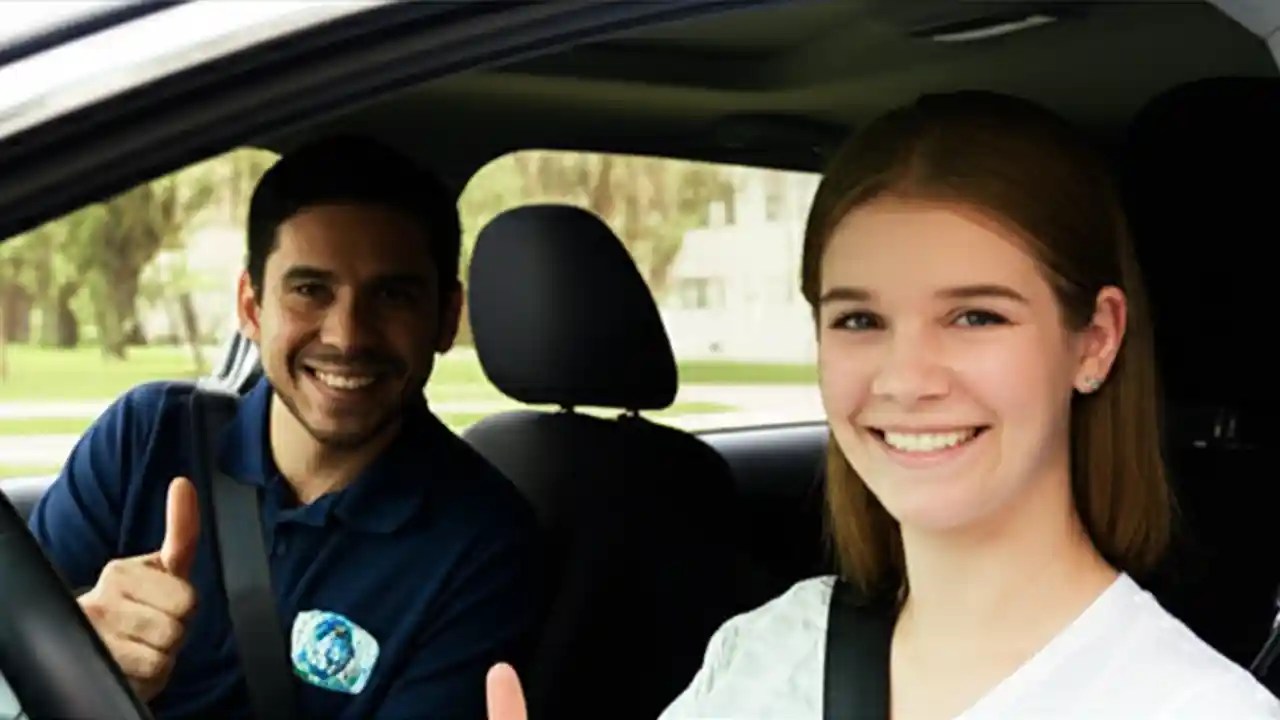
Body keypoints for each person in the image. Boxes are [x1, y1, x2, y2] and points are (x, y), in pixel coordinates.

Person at [484, 91, 1280, 719]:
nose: (905, 379)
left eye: (975, 316)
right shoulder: (772, 648)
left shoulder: (1195, 707)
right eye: (859, 320)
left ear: (1094, 341)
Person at [29, 135, 540, 719]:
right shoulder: (146, 437)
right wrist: (79, 661)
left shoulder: (482, 542)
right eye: (309, 291)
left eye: (392, 296)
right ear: (251, 306)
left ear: (446, 320)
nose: (348, 337)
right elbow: (14, 656)